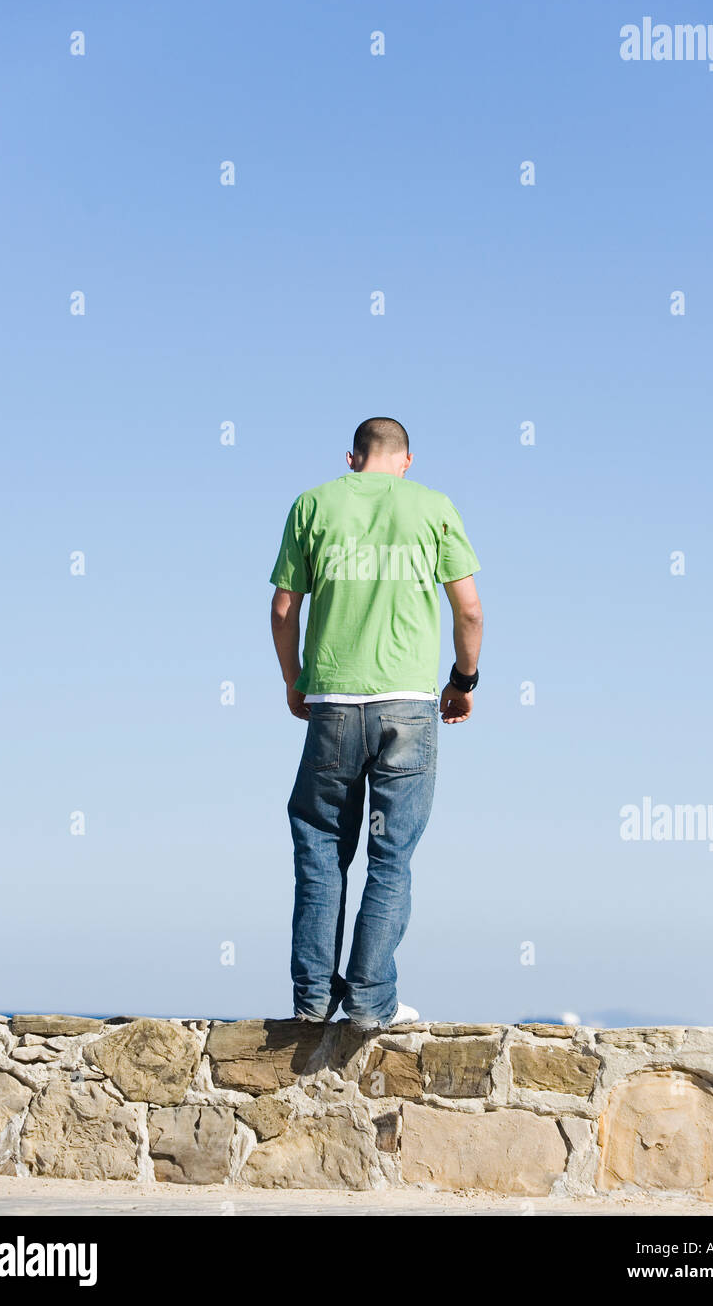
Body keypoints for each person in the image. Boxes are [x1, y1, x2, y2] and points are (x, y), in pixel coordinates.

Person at [269, 417, 483, 1029]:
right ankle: (370, 1001)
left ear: (352, 458)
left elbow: (285, 607)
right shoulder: (433, 508)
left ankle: (312, 998)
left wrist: (295, 678)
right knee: (391, 857)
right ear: (406, 461)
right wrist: (462, 683)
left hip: (333, 703)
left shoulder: (313, 505)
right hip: (409, 707)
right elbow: (469, 610)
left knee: (319, 845)